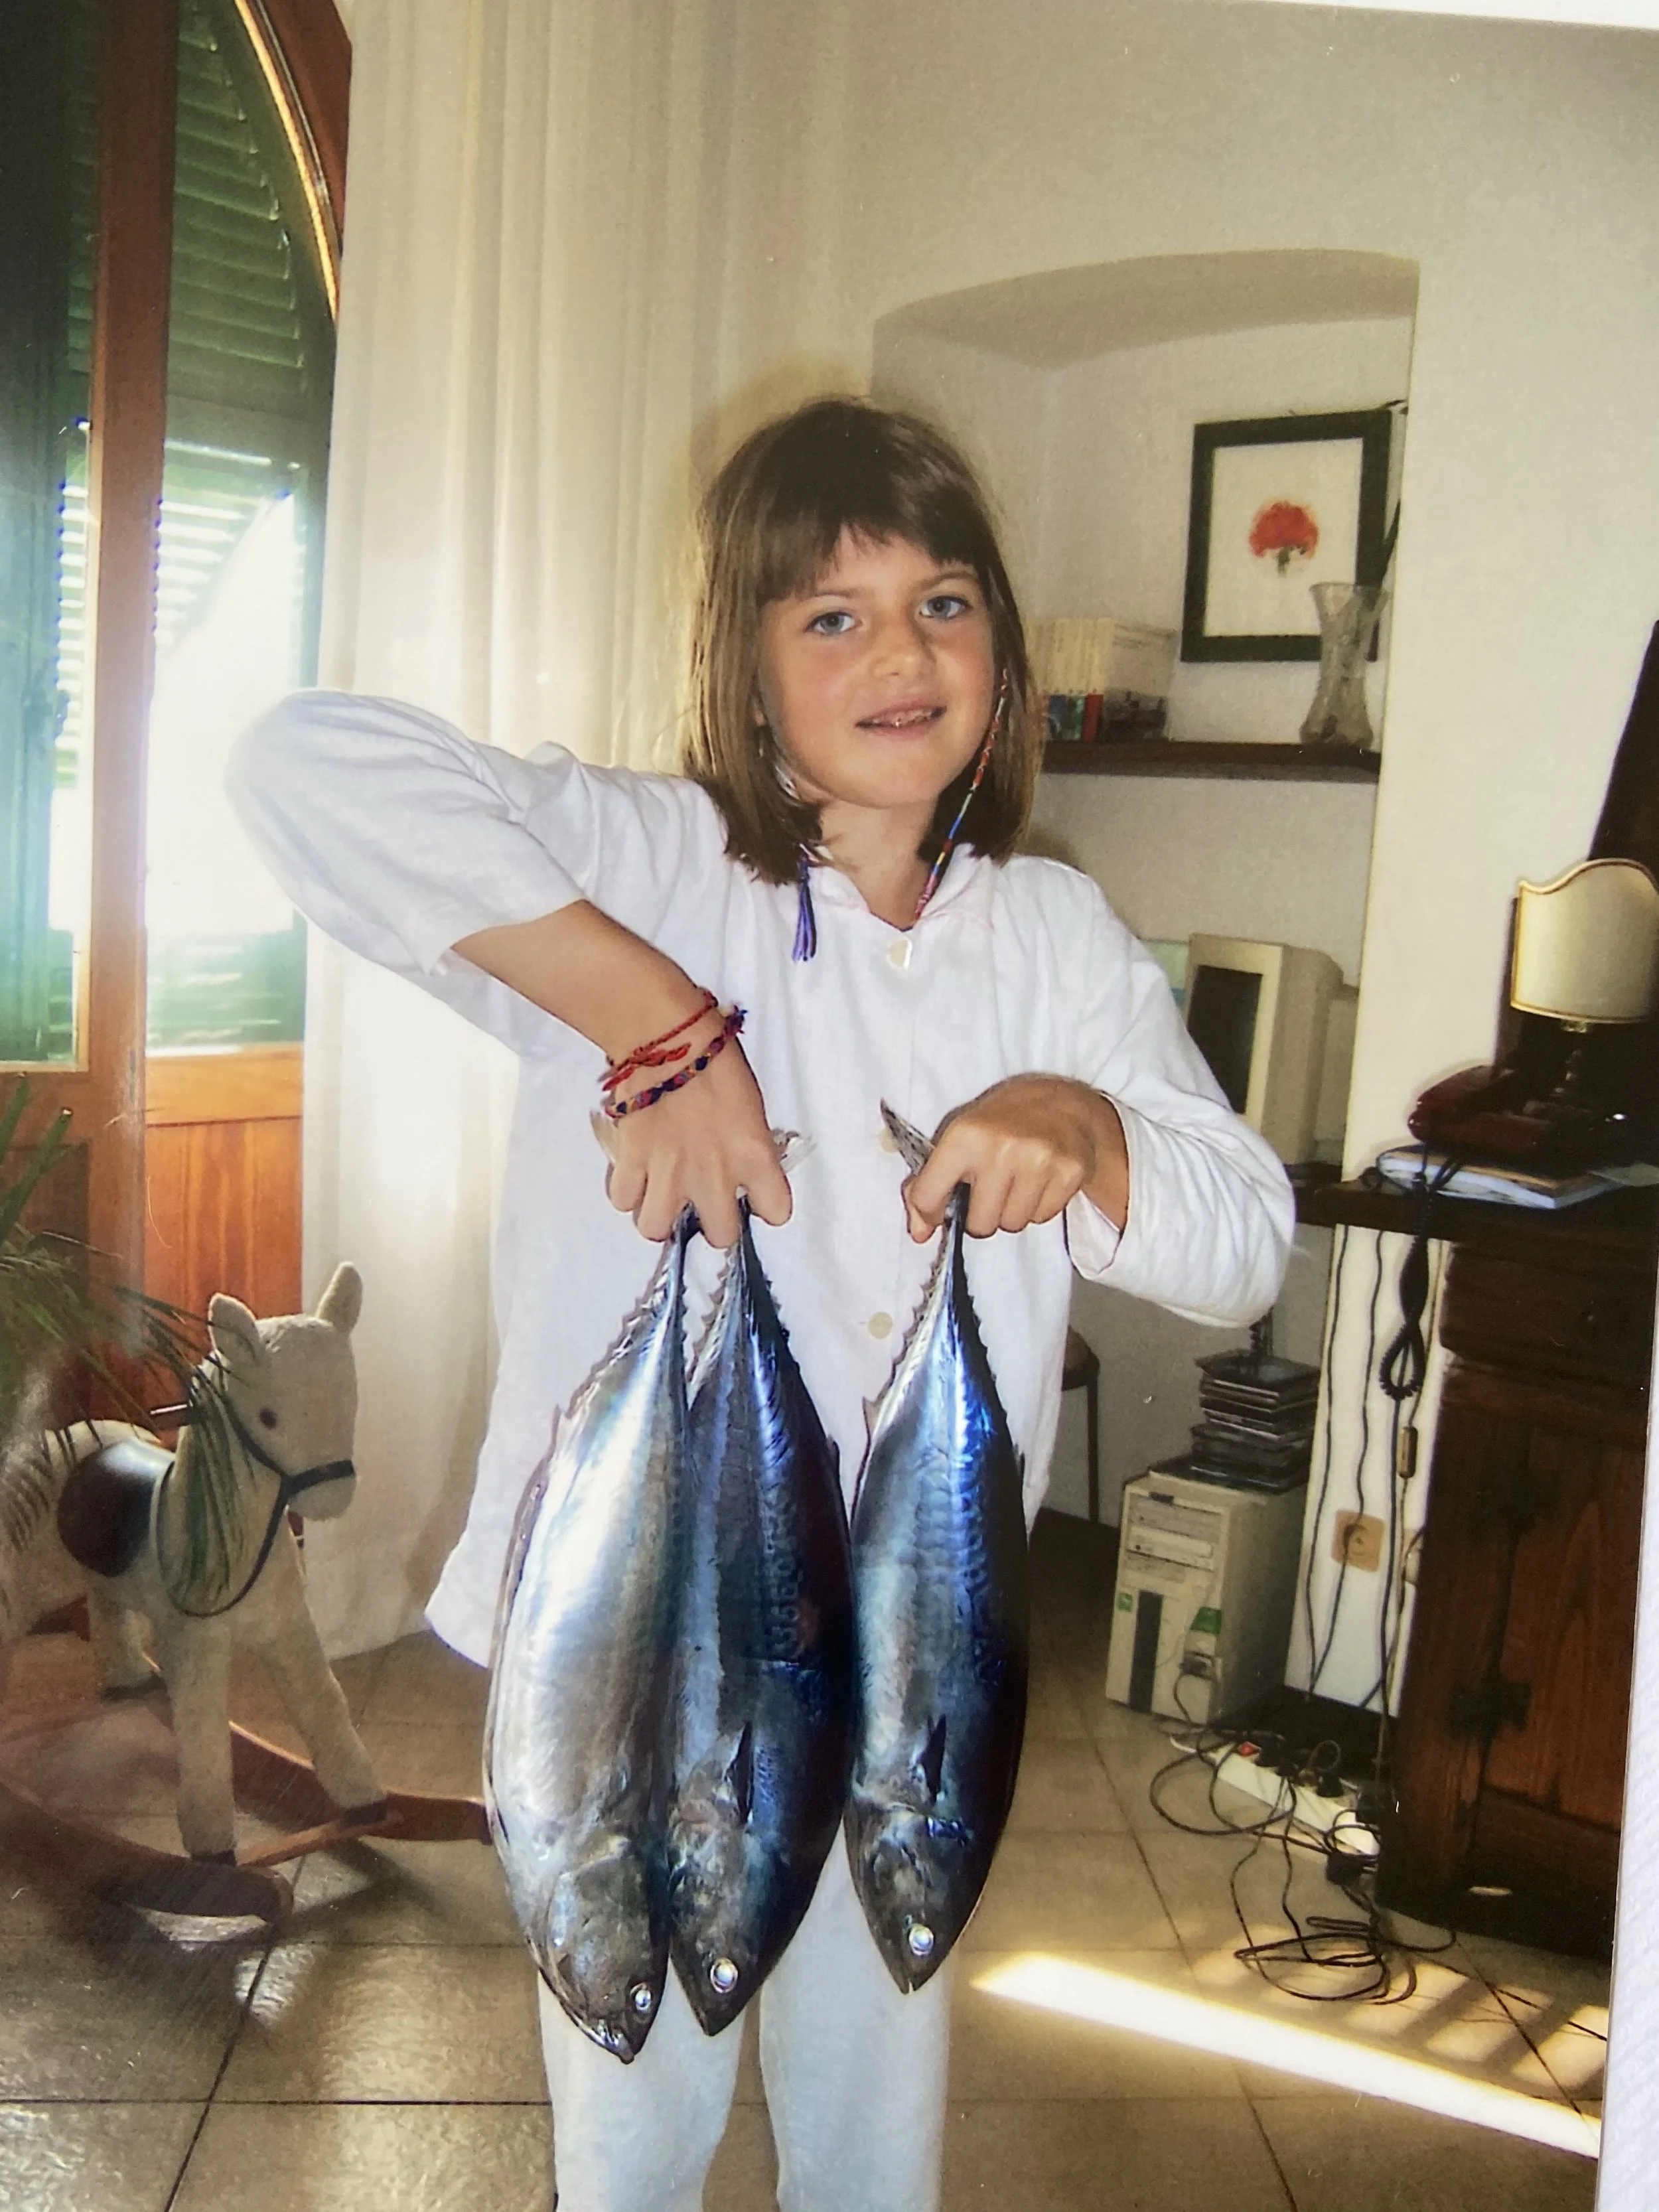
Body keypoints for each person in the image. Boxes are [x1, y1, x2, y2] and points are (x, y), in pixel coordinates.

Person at [230, 396, 1292, 2212]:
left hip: (908, 1664)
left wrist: (1088, 1127)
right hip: (639, 1654)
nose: (901, 652)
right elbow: (294, 766)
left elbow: (1247, 1237)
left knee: (873, 2152)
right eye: (832, 615)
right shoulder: (648, 864)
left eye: (945, 603)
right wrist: (650, 1011)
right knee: (634, 2136)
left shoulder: (1058, 942)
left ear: (1008, 659)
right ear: (746, 671)